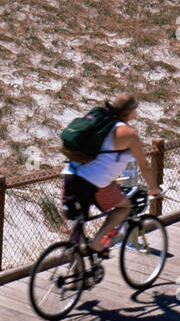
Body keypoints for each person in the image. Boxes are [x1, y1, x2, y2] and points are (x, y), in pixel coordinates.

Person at [61, 93, 162, 257]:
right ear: (131, 112)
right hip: (96, 183)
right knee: (124, 207)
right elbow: (144, 165)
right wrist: (153, 188)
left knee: (78, 235)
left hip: (70, 174)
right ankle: (97, 243)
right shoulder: (127, 133)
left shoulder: (99, 122)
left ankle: (74, 280)